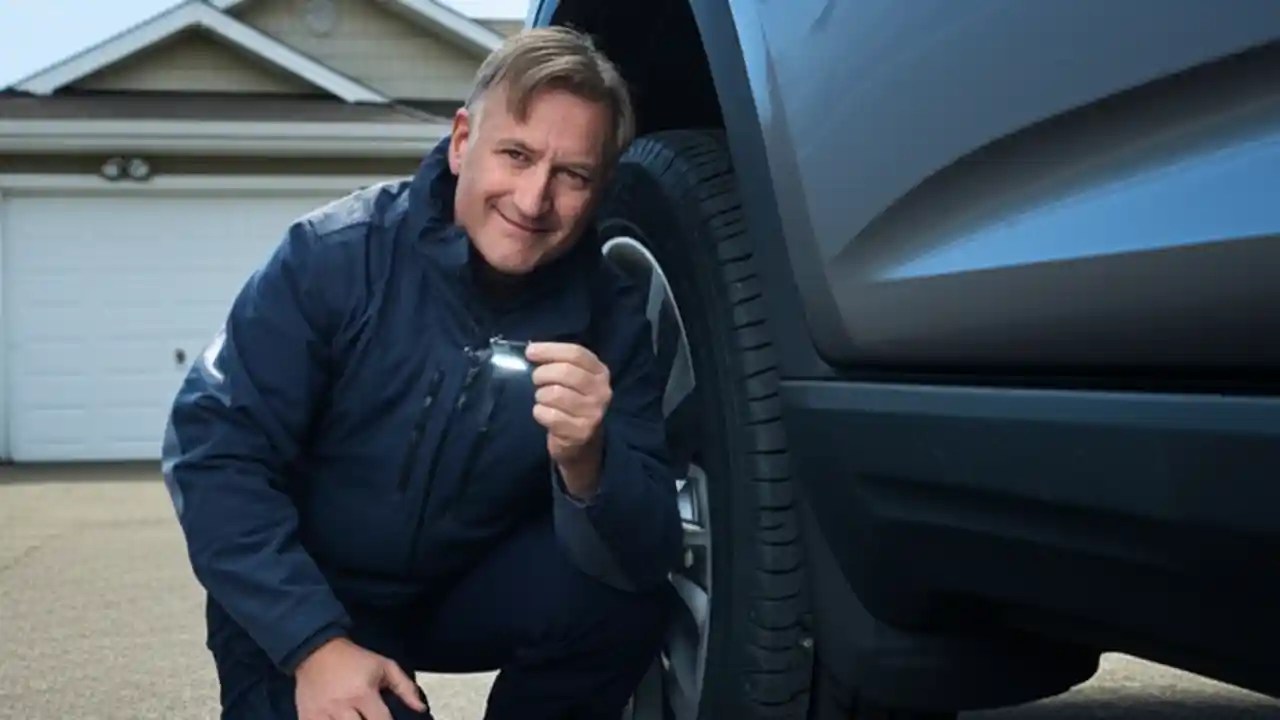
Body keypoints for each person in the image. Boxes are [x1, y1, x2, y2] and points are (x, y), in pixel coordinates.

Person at [162, 26, 683, 720]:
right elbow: (212, 454)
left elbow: (649, 549)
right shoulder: (335, 256)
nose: (534, 200)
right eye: (517, 155)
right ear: (464, 140)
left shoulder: (609, 316)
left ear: (600, 189)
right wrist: (313, 645)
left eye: (573, 176)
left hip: (457, 586)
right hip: (306, 590)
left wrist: (592, 465)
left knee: (623, 605)